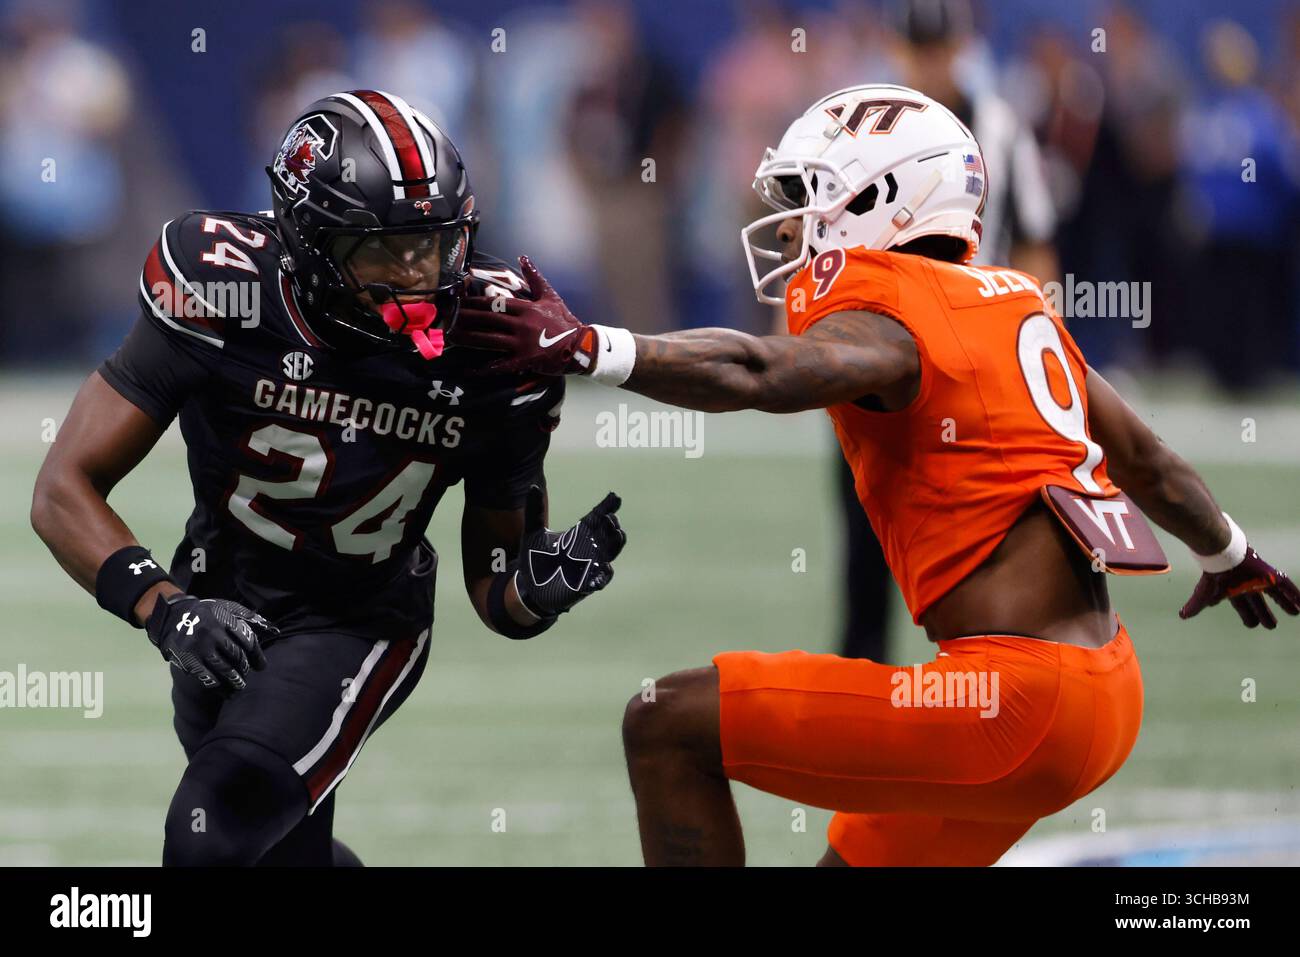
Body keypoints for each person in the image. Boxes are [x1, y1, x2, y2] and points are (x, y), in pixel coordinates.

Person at [448, 83, 1299, 866]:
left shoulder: (894, 305)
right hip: (1108, 694)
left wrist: (594, 346)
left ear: (881, 198)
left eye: (810, 197)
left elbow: (758, 372)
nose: (790, 226)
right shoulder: (1011, 299)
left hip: (1008, 702)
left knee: (662, 722)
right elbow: (1146, 458)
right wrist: (1228, 552)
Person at [30, 90, 627, 866]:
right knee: (284, 856)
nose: (419, 274)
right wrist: (166, 608)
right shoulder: (224, 288)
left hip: (360, 620)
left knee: (208, 833)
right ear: (309, 243)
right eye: (385, 249)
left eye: (437, 243)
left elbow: (497, 592)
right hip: (216, 601)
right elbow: (62, 487)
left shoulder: (497, 343)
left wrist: (536, 589)